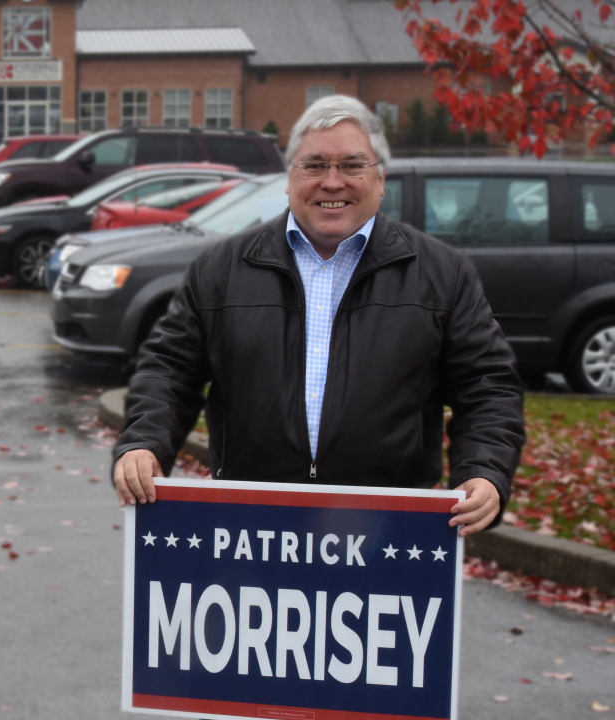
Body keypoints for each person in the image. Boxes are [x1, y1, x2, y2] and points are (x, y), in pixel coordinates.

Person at [111, 95, 524, 537]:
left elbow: (487, 387)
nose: (332, 182)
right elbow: (169, 371)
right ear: (289, 179)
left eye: (352, 165)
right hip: (251, 531)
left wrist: (484, 471)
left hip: (389, 533)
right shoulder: (222, 269)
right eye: (314, 165)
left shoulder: (442, 274)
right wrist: (145, 441)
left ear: (380, 179)